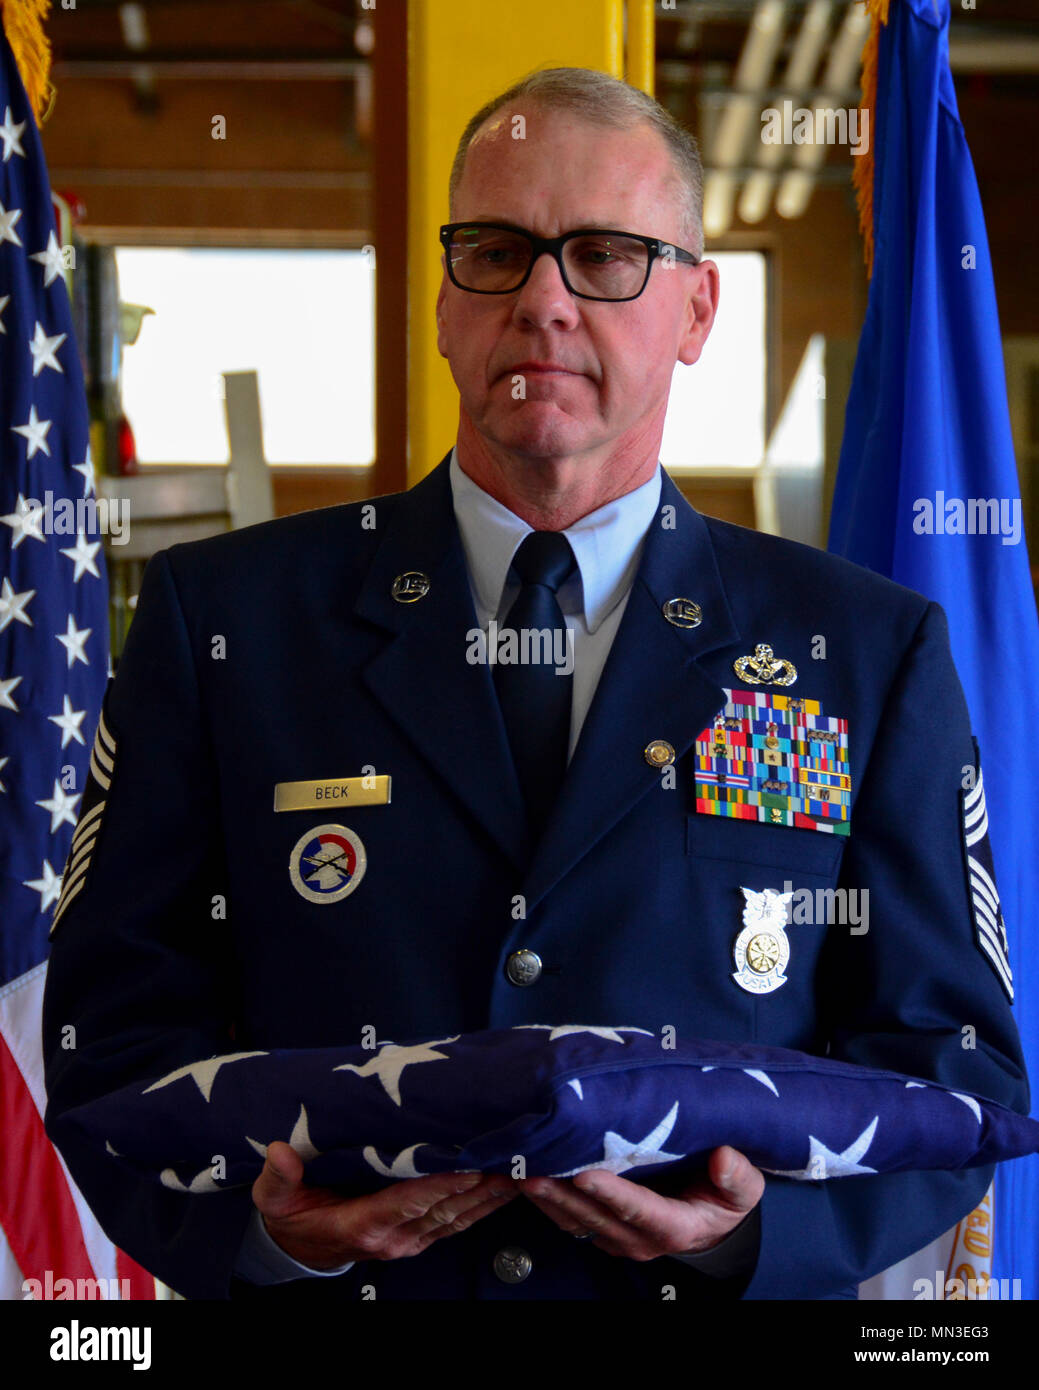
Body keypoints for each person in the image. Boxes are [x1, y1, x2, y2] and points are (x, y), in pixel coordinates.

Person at [42, 67, 1028, 1302]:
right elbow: (107, 1045)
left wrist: (748, 1239)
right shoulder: (224, 624)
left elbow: (955, 1068)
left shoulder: (867, 652)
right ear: (447, 300)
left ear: (697, 307)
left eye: (606, 257)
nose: (545, 302)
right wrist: (275, 1237)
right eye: (498, 253)